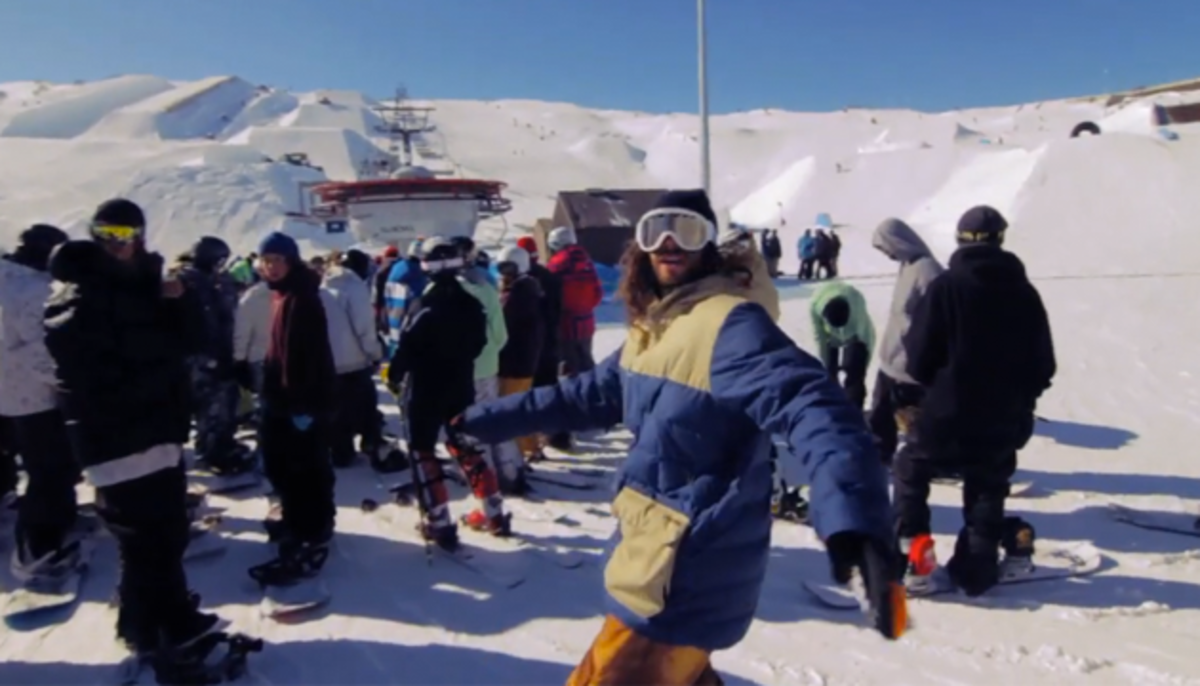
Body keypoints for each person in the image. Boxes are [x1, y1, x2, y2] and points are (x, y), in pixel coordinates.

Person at [452, 189, 903, 684]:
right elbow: (588, 395)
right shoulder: (661, 326)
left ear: (711, 244)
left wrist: (855, 518)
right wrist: (483, 420)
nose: (669, 243)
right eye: (655, 230)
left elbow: (815, 408)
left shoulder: (730, 327)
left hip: (684, 572)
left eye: (686, 230)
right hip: (653, 558)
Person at [44, 198, 225, 653]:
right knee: (151, 538)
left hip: (154, 429)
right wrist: (157, 357)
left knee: (162, 533)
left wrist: (177, 302)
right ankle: (167, 624)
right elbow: (95, 366)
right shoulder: (82, 293)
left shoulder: (141, 286)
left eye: (126, 235)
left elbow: (191, 340)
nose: (117, 244)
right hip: (118, 434)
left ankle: (147, 619)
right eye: (107, 234)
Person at [898, 205, 1056, 597]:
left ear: (959, 240)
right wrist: (1020, 400)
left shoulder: (946, 288)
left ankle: (915, 556)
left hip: (945, 415)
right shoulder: (1025, 293)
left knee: (910, 471)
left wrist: (937, 388)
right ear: (1001, 240)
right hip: (1003, 418)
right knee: (988, 485)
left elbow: (917, 359)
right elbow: (1043, 365)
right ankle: (978, 569)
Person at [385, 237, 509, 547]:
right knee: (466, 446)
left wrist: (395, 373)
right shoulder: (472, 304)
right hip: (461, 384)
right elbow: (480, 342)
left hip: (425, 389)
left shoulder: (424, 306)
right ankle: (494, 511)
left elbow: (407, 348)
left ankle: (439, 520)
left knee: (423, 449)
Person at [250, 232, 337, 577]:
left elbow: (307, 357)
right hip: (285, 400)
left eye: (277, 261)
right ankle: (304, 523)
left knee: (300, 469)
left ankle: (307, 531)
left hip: (298, 402)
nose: (270, 268)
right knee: (289, 466)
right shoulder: (284, 293)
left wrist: (302, 404)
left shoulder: (301, 299)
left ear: (291, 262)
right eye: (265, 261)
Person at [0, 224, 80, 580]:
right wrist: (69, 383)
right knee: (51, 469)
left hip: (10, 392)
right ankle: (38, 547)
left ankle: (55, 523)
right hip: (35, 396)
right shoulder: (32, 291)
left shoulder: (6, 280)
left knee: (42, 465)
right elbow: (42, 351)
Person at [867, 218, 944, 466]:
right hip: (892, 358)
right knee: (880, 413)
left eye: (886, 246)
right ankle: (881, 454)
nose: (887, 253)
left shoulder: (928, 271)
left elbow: (936, 319)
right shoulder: (908, 265)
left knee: (913, 418)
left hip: (909, 361)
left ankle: (924, 461)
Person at [177, 236, 251, 473]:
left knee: (223, 401)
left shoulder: (209, 281)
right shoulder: (193, 283)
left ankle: (221, 444)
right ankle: (212, 451)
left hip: (211, 352)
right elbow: (208, 322)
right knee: (213, 404)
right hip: (203, 355)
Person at [320, 249, 384, 468]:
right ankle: (371, 443)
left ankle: (341, 452)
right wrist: (374, 353)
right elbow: (364, 326)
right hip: (354, 359)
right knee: (365, 405)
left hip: (329, 361)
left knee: (337, 413)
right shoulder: (354, 287)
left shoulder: (324, 284)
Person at [451, 236, 509, 477]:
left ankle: (470, 470)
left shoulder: (444, 290)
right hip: (486, 366)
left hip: (456, 369)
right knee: (488, 418)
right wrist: (489, 352)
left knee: (460, 421)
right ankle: (497, 468)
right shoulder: (487, 289)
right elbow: (500, 335)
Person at [545, 226, 603, 451]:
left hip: (566, 325)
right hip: (586, 322)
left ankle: (575, 413)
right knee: (587, 364)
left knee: (568, 370)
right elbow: (597, 293)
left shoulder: (556, 266)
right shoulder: (588, 263)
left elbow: (551, 296)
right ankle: (596, 407)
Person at [492, 245, 545, 490]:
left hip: (515, 360)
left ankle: (520, 455)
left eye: (509, 268)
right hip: (524, 359)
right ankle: (531, 446)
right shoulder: (527, 289)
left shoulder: (517, 295)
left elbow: (502, 323)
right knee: (520, 404)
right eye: (501, 268)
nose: (504, 274)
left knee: (512, 407)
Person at [517, 235, 561, 462]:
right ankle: (557, 433)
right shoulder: (549, 276)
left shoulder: (520, 282)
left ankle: (532, 444)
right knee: (550, 392)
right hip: (551, 342)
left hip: (529, 347)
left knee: (528, 396)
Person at [809, 281, 875, 408]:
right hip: (830, 337)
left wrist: (862, 367)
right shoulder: (814, 306)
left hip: (856, 334)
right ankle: (832, 406)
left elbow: (865, 340)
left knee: (854, 371)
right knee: (829, 373)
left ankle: (855, 409)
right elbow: (820, 338)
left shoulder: (857, 303)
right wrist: (826, 366)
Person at [383, 239, 428, 358]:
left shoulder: (397, 268)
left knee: (394, 355)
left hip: (393, 319)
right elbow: (417, 299)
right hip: (408, 323)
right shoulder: (415, 272)